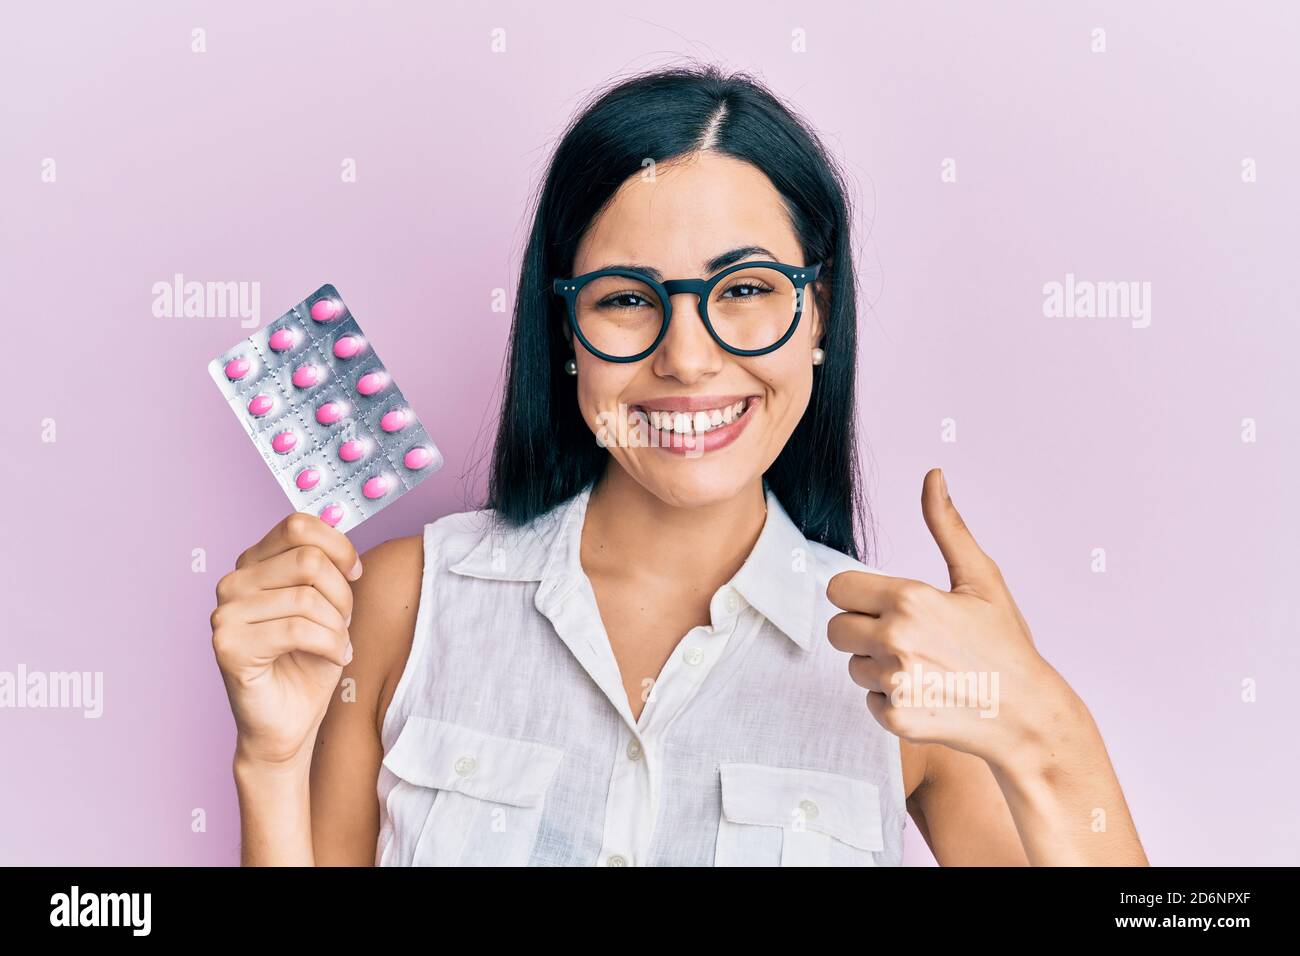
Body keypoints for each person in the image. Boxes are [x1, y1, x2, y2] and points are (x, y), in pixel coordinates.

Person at [211, 65, 1147, 866]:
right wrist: (270, 761)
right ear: (565, 331)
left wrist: (1043, 725)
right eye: (626, 299)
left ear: (819, 317)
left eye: (745, 290)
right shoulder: (402, 605)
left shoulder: (916, 667)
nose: (688, 359)